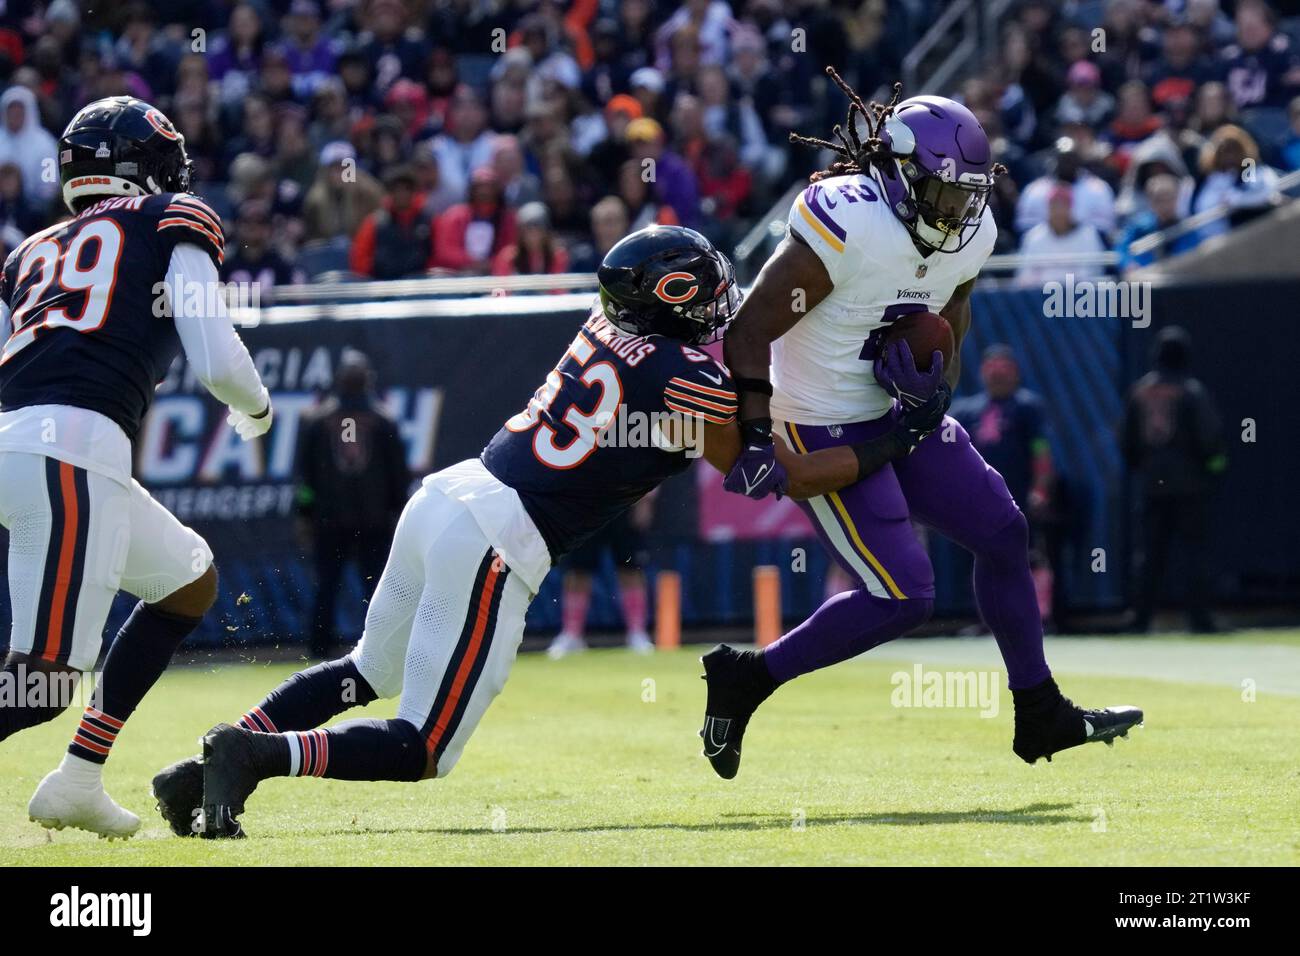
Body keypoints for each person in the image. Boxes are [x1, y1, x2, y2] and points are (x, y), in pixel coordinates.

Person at [149, 226, 949, 837]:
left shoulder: (604, 332)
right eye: (703, 292)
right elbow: (770, 475)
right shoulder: (687, 377)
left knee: (366, 668)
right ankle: (255, 754)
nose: (718, 305)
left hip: (450, 494)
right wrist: (900, 434)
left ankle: (198, 770)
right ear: (672, 297)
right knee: (422, 747)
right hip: (499, 534)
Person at [706, 74, 1142, 781]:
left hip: (894, 411)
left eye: (967, 195)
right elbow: (750, 330)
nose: (956, 211)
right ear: (897, 171)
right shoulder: (848, 221)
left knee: (1004, 531)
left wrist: (934, 387)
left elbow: (953, 321)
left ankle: (1039, 710)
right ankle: (748, 677)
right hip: (820, 421)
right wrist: (757, 434)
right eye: (942, 192)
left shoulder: (972, 234)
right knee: (904, 595)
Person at [0, 97, 272, 838]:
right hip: (71, 449)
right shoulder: (168, 217)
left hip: (33, 445)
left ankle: (80, 777)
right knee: (42, 681)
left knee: (188, 581)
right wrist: (256, 413)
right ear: (142, 165)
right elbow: (217, 359)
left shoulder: (30, 251)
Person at [294, 350, 410, 659]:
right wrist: (399, 513)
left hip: (330, 522)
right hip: (373, 522)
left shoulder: (317, 421)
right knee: (376, 590)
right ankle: (381, 648)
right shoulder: (384, 421)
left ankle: (319, 650)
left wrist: (305, 515)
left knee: (327, 587)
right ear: (368, 381)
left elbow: (305, 482)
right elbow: (399, 478)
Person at [951, 346, 1063, 630]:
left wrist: (1040, 488)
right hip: (977, 499)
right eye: (992, 370)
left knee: (1029, 557)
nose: (998, 376)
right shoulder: (966, 410)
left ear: (1015, 374)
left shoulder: (1027, 407)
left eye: (1004, 370)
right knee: (982, 558)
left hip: (1018, 497)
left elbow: (1041, 450)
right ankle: (989, 619)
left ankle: (1038, 616)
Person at [1122, 327, 1225, 634]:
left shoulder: (1138, 391)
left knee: (1149, 555)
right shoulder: (1192, 390)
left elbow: (1126, 441)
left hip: (1153, 485)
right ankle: (1199, 619)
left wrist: (1144, 467)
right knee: (1194, 552)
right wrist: (1213, 469)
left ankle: (1140, 619)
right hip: (1190, 485)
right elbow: (1210, 438)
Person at [1014, 185, 1106, 287]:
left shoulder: (1088, 235)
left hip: (1079, 296)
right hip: (1039, 297)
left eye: (1062, 205)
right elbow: (1025, 275)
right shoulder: (1034, 237)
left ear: (1071, 208)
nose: (1058, 211)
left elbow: (1093, 273)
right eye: (1054, 205)